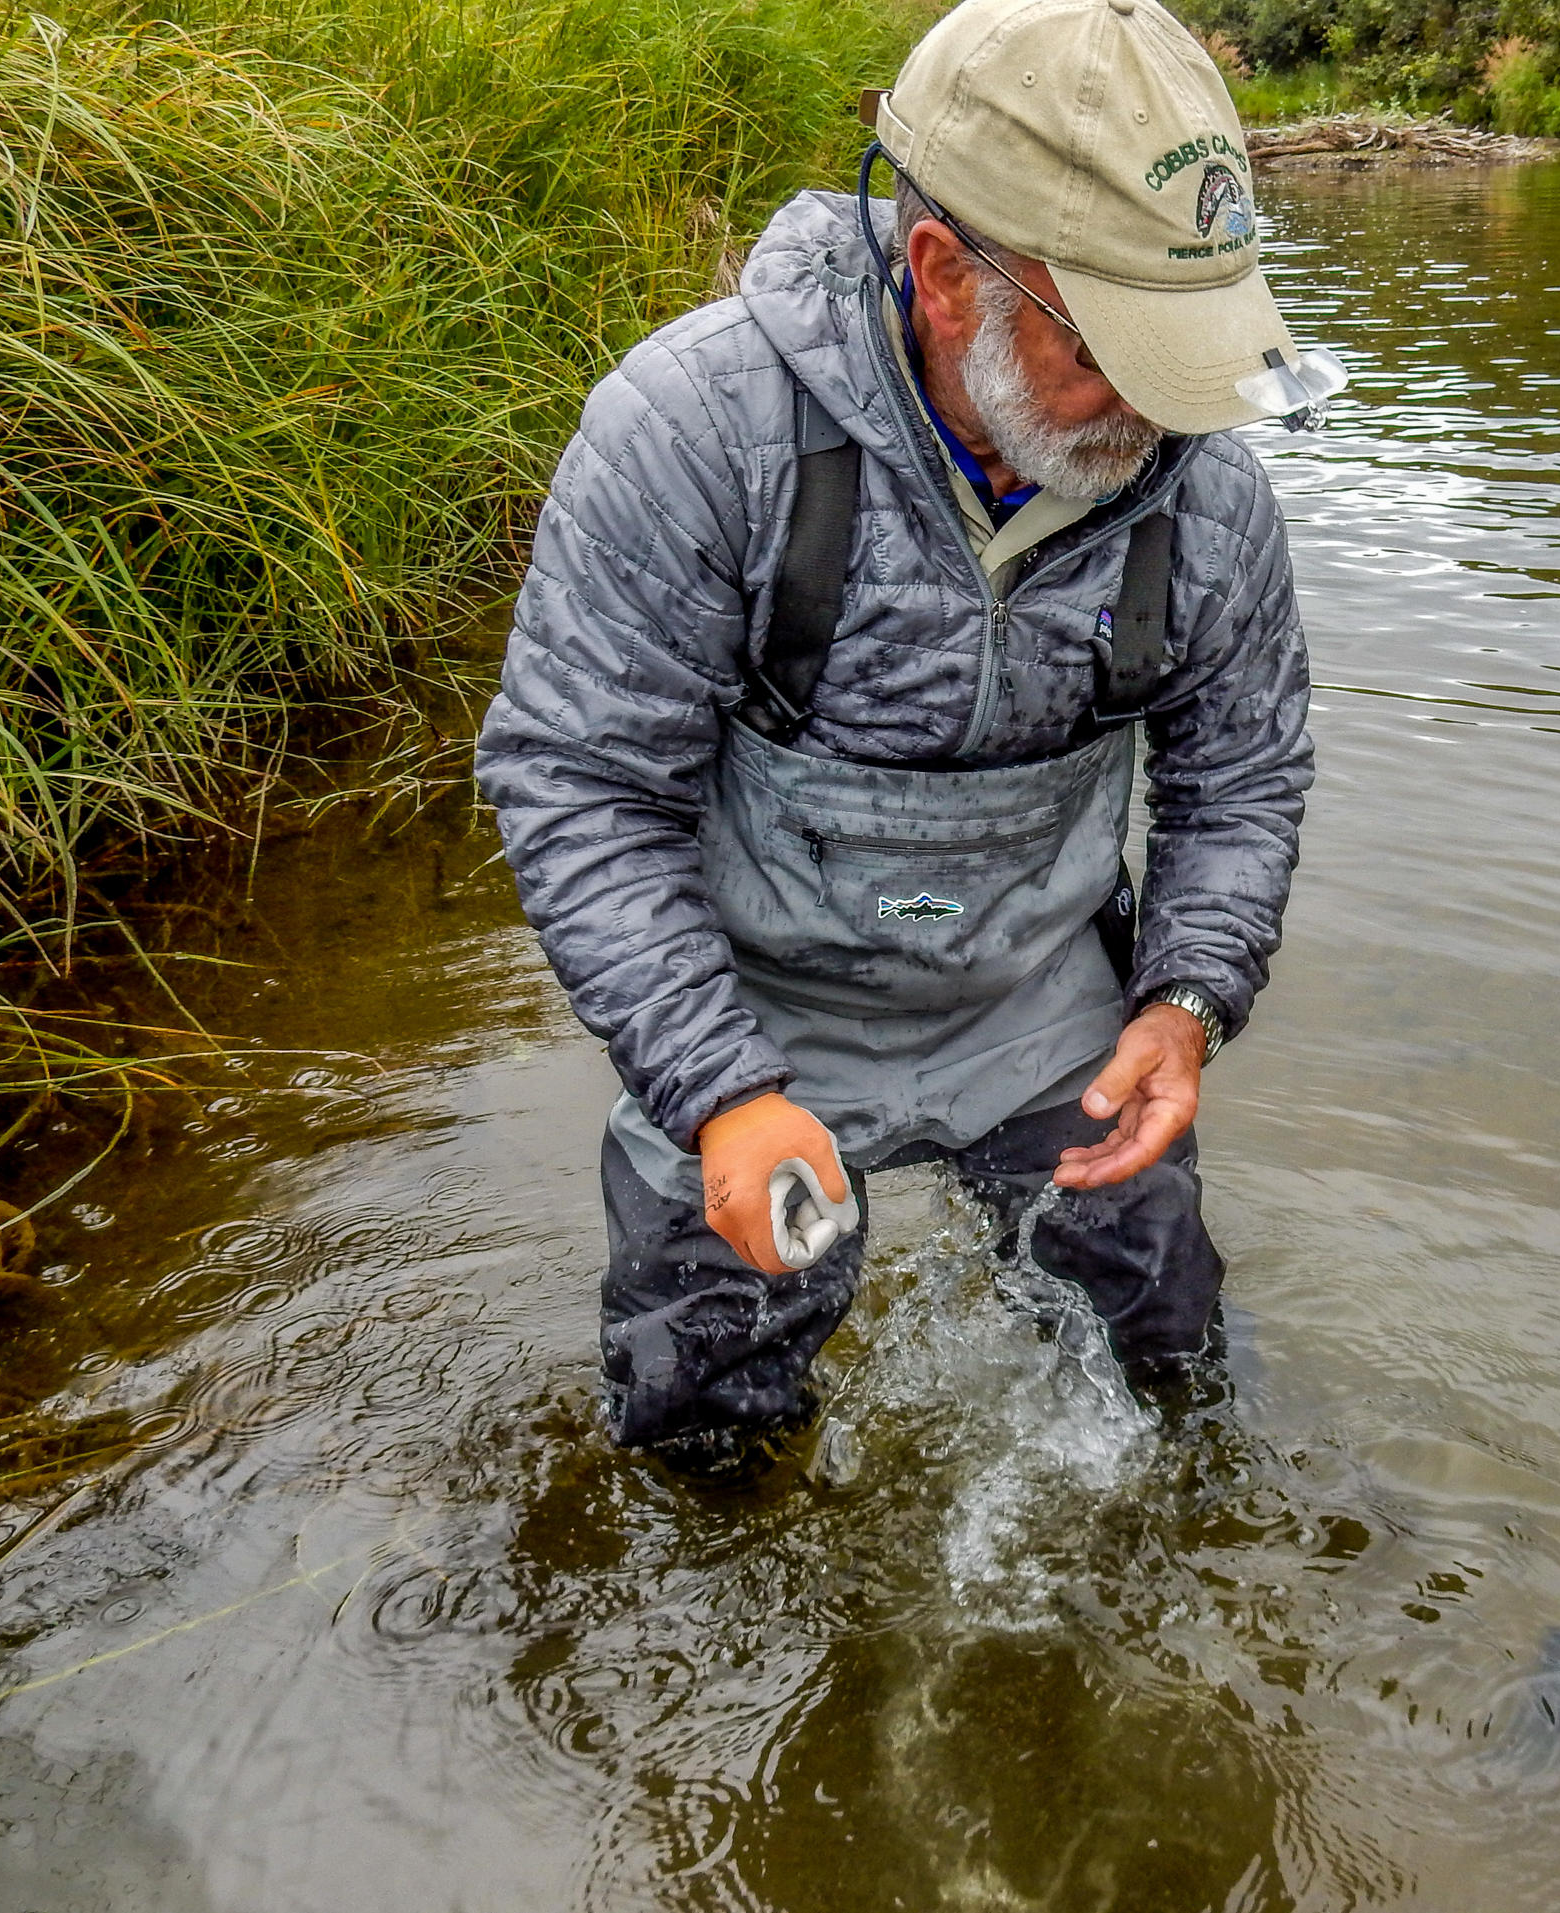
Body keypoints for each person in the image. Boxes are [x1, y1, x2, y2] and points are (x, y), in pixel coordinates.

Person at [474, 0, 1339, 1479]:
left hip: (1040, 1001)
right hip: (750, 1008)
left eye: (1186, 350)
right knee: (698, 1434)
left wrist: (1187, 1001)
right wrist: (719, 1088)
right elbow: (580, 785)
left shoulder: (1208, 500)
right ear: (946, 275)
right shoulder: (693, 429)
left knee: (1163, 1384)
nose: (1165, 410)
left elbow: (1238, 777)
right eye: (1118, 349)